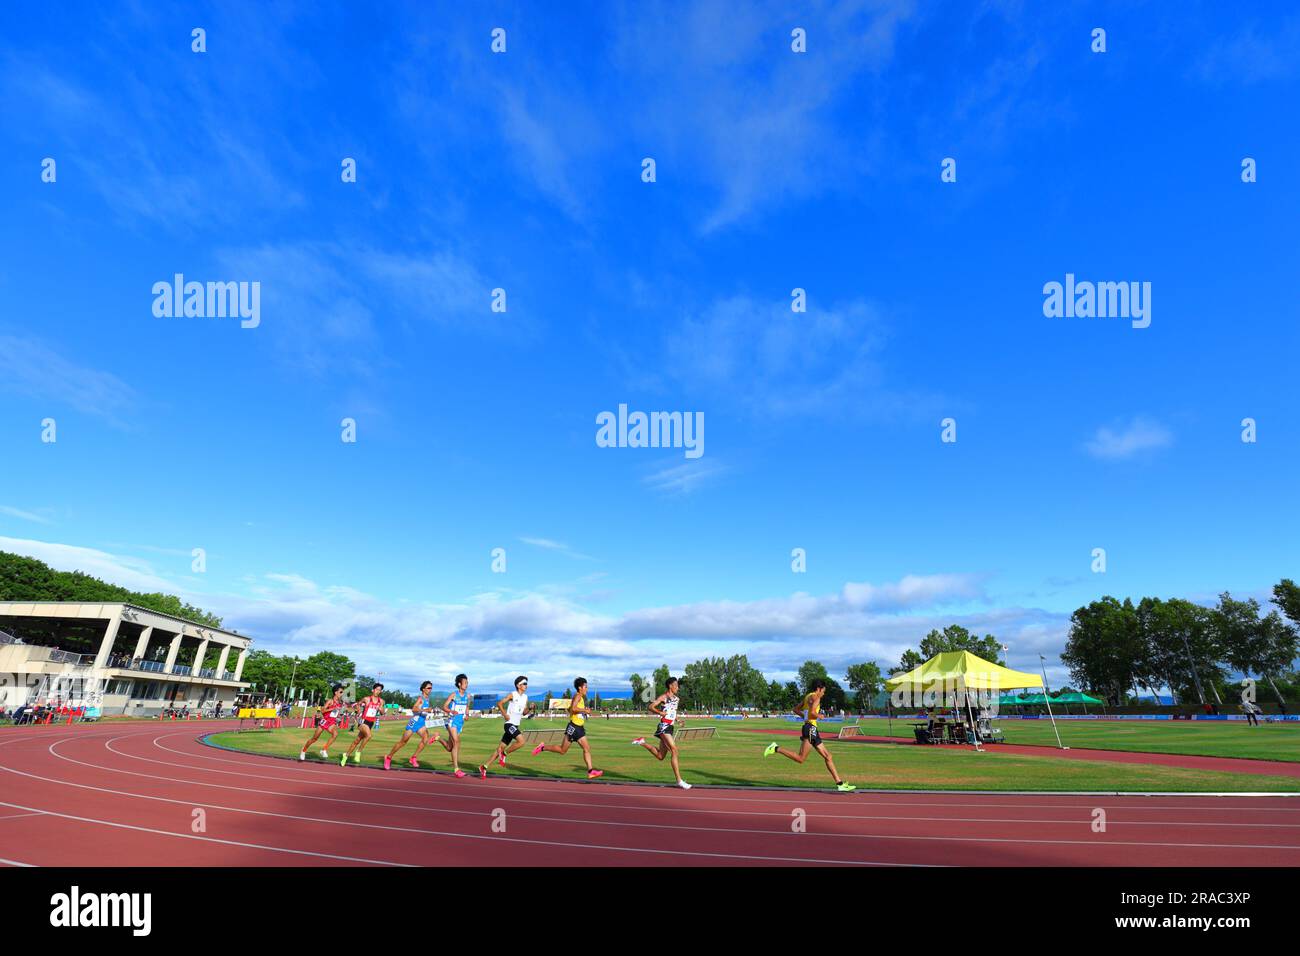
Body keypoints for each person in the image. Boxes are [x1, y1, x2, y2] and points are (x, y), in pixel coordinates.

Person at [763, 680, 856, 791]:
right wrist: (819, 716)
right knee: (802, 758)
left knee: (827, 756)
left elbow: (795, 709)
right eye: (823, 691)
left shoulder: (808, 697)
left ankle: (840, 784)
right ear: (819, 688)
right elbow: (812, 713)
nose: (823, 693)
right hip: (811, 729)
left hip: (810, 728)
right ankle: (776, 748)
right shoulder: (816, 697)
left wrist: (806, 717)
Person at [532, 677, 603, 779]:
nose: (587, 688)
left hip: (578, 727)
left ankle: (591, 771)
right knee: (570, 750)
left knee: (570, 750)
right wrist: (584, 710)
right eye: (585, 686)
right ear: (580, 688)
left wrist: (582, 711)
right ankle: (590, 771)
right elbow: (573, 708)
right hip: (574, 727)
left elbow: (571, 709)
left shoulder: (579, 697)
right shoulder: (578, 696)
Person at [631, 676, 691, 790]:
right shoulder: (663, 697)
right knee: (674, 750)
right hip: (664, 727)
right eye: (676, 685)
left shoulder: (676, 699)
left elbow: (673, 711)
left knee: (660, 756)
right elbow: (650, 706)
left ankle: (642, 742)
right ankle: (679, 780)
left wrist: (678, 720)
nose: (678, 687)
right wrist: (659, 712)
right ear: (670, 686)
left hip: (670, 727)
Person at [479, 676, 535, 778]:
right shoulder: (512, 695)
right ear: (518, 685)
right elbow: (499, 703)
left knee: (499, 749)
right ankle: (504, 754)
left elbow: (523, 713)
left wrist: (530, 709)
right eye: (524, 683)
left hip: (515, 725)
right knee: (521, 741)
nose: (526, 685)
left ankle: (484, 766)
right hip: (509, 724)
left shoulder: (525, 697)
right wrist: (504, 714)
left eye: (526, 683)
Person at [383, 681, 440, 770]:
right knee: (403, 742)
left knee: (425, 739)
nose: (430, 690)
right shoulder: (420, 699)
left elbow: (424, 710)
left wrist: (427, 710)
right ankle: (389, 757)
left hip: (421, 723)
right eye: (429, 688)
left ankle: (413, 757)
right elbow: (414, 709)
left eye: (431, 688)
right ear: (423, 689)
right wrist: (425, 709)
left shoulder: (427, 699)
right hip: (414, 722)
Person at [431, 674, 470, 777]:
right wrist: (451, 710)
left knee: (449, 747)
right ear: (459, 684)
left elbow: (466, 707)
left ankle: (437, 738)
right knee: (457, 742)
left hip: (460, 722)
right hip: (452, 721)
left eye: (467, 682)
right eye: (465, 682)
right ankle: (457, 769)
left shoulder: (467, 696)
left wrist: (467, 714)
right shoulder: (454, 695)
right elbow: (444, 706)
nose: (466, 684)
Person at [299, 684, 347, 761]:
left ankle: (324, 750)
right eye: (341, 692)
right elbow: (322, 711)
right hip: (324, 722)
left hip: (331, 722)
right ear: (335, 692)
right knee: (314, 739)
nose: (342, 694)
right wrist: (332, 709)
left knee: (335, 734)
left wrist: (337, 715)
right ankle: (303, 750)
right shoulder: (330, 701)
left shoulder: (339, 703)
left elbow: (335, 713)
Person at [342, 682, 385, 766]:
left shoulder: (381, 701)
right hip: (363, 721)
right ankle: (358, 753)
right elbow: (357, 704)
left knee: (357, 741)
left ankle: (345, 756)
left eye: (380, 690)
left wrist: (381, 709)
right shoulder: (367, 699)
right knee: (368, 736)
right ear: (373, 690)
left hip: (371, 723)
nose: (378, 691)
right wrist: (358, 710)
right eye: (377, 689)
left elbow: (382, 713)